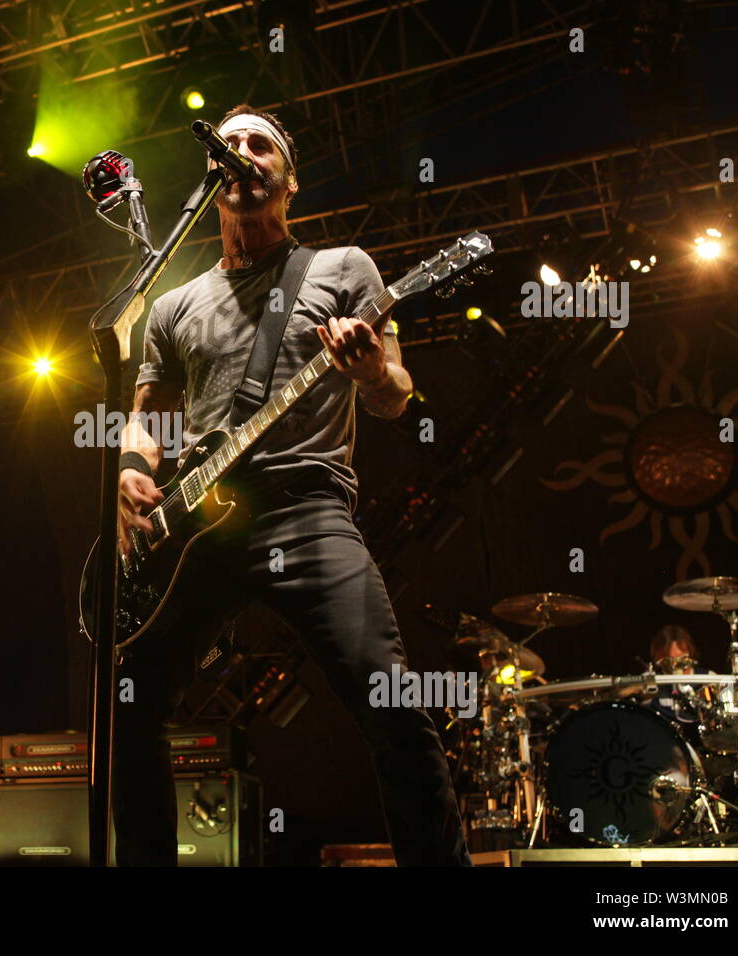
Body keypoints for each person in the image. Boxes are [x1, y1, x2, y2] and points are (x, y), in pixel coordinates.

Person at [112, 104, 470, 866]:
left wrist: (371, 366)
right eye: (231, 143)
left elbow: (395, 394)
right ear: (213, 179)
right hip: (196, 528)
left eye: (261, 145)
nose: (242, 153)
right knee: (129, 708)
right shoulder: (171, 306)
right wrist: (130, 473)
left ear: (289, 180)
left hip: (307, 509)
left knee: (391, 704)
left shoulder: (345, 270)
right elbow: (147, 421)